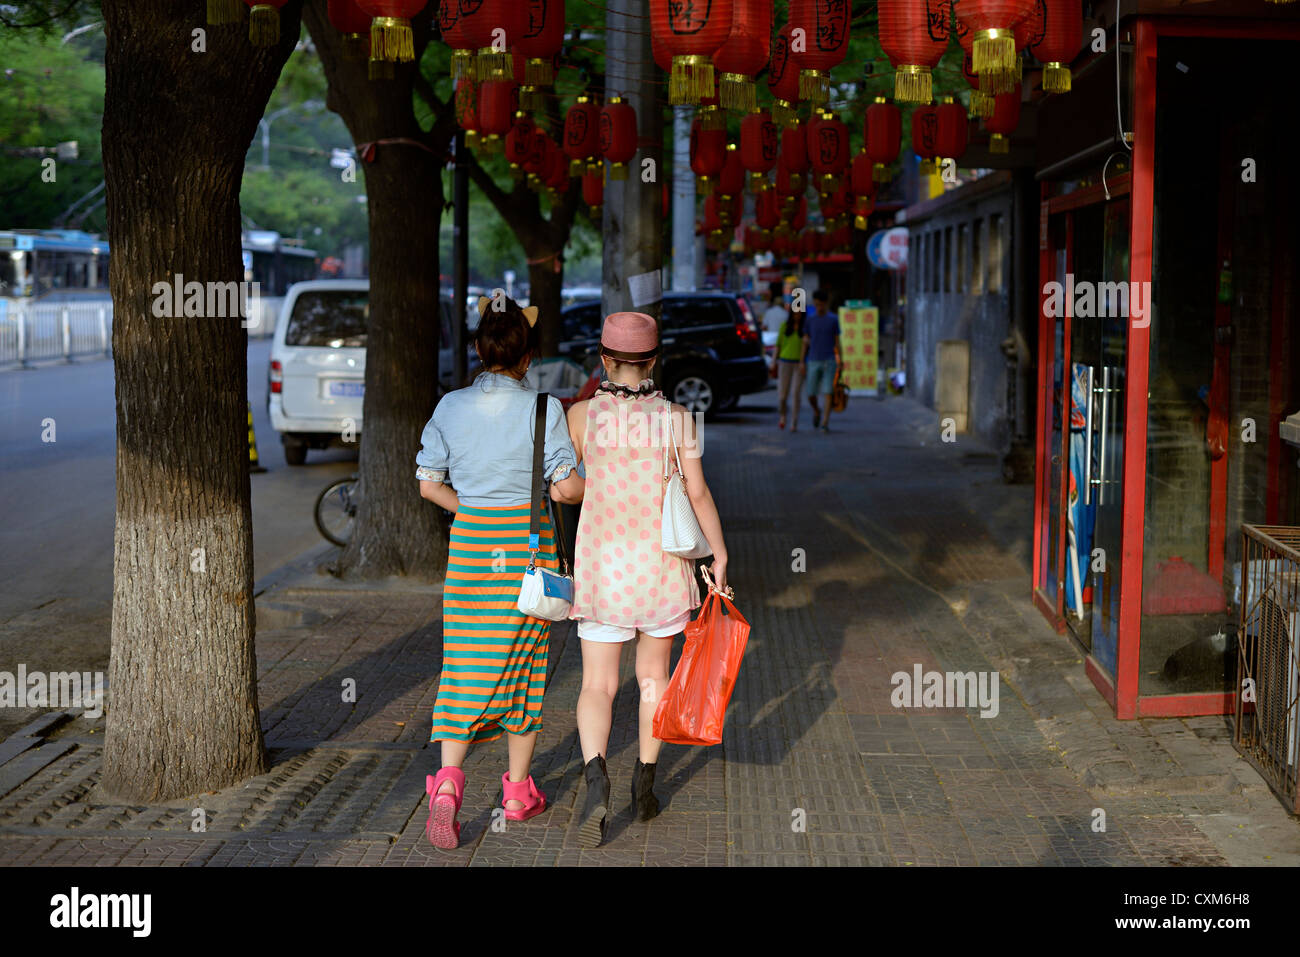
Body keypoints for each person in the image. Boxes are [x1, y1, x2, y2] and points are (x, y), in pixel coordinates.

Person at [415, 294, 585, 850]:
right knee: (525, 665)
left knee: (464, 661)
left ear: (479, 349)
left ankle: (446, 788)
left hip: (470, 552)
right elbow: (566, 487)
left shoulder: (449, 407)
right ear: (527, 356)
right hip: (527, 550)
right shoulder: (544, 409)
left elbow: (428, 484)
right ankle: (516, 793)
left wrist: (474, 509)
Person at [564, 311, 729, 848]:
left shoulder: (583, 416)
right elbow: (698, 494)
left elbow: (567, 487)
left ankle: (595, 778)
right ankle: (645, 783)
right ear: (654, 360)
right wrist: (719, 554)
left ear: (604, 358)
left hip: (602, 568)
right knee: (653, 679)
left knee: (598, 684)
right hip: (660, 568)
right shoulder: (678, 418)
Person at [801, 287, 842, 432]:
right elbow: (805, 341)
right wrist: (801, 361)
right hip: (813, 359)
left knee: (828, 391)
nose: (819, 307)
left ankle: (825, 422)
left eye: (821, 304)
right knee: (811, 393)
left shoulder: (833, 319)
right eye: (817, 304)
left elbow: (837, 341)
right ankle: (817, 410)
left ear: (826, 303)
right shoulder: (810, 320)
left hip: (829, 360)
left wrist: (840, 359)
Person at [773, 307, 805, 431]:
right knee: (782, 395)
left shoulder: (805, 329)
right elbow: (778, 345)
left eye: (799, 314)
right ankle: (783, 416)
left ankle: (794, 421)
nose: (797, 316)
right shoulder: (784, 327)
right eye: (795, 313)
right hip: (784, 362)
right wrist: (774, 361)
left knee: (796, 393)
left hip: (799, 363)